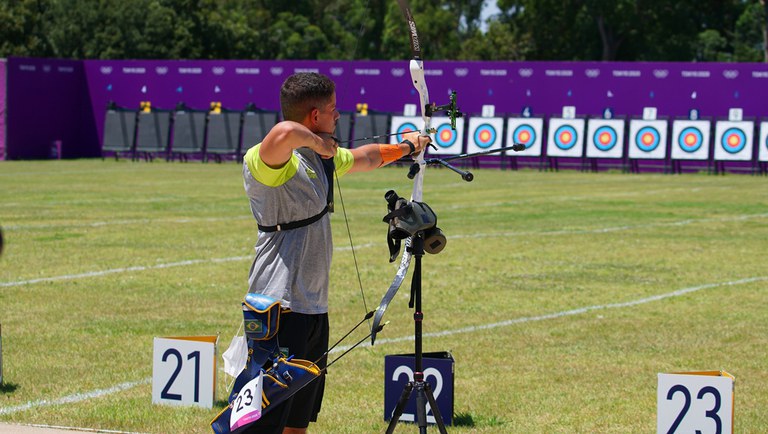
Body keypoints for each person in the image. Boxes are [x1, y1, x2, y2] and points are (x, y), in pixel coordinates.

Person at [241, 72, 431, 434]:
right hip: (278, 307)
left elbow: (366, 157)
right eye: (332, 109)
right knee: (265, 423)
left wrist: (407, 147)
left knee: (298, 419)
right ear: (314, 117)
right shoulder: (267, 164)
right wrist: (320, 144)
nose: (338, 116)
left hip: (313, 309)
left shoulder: (320, 158)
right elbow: (284, 133)